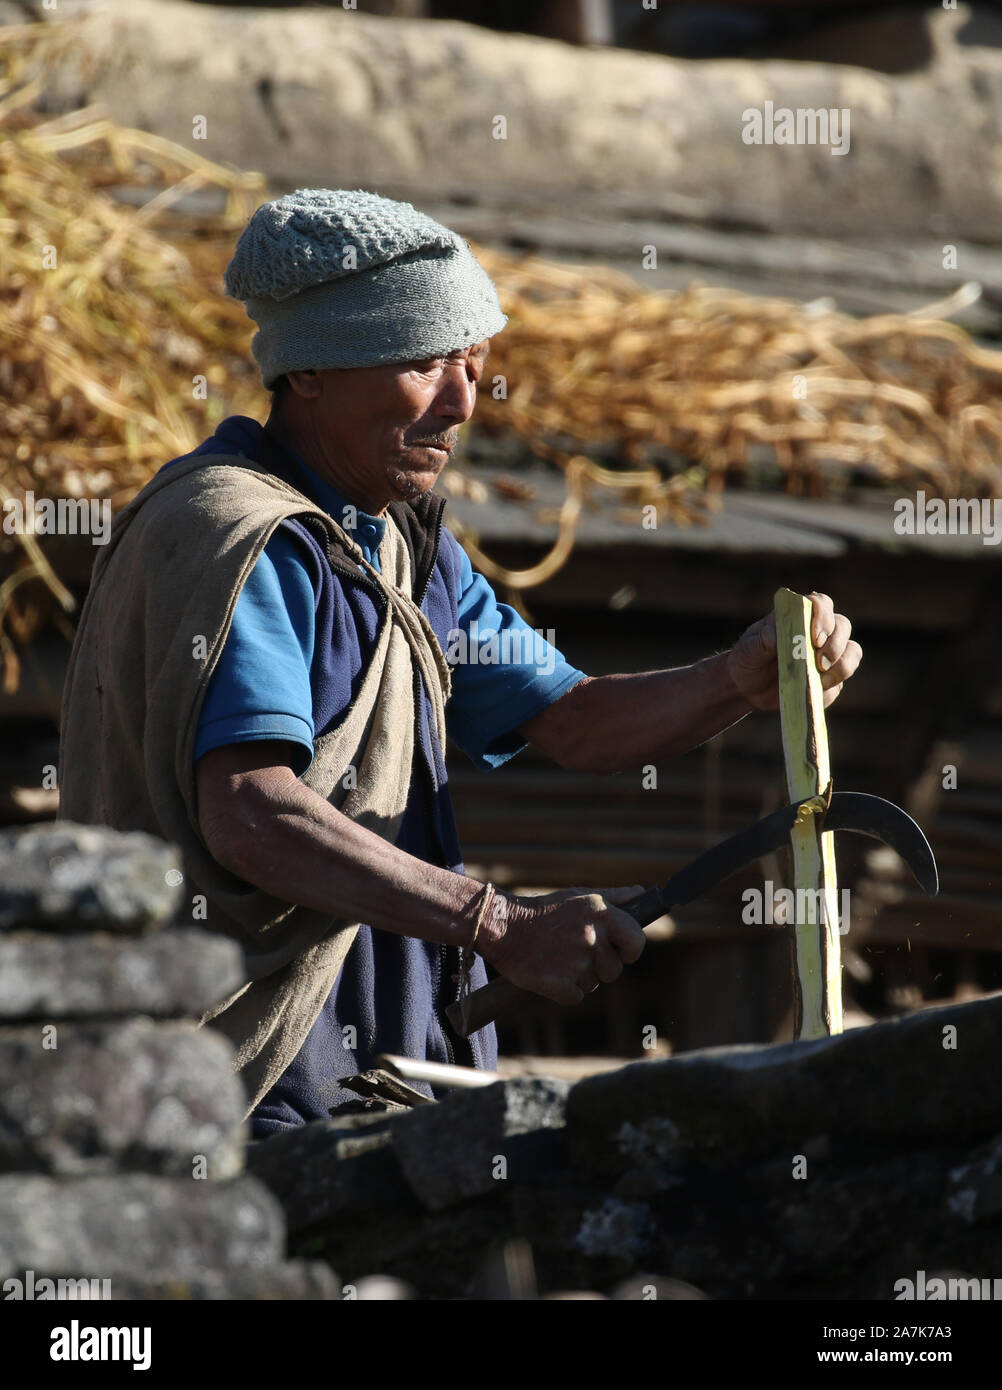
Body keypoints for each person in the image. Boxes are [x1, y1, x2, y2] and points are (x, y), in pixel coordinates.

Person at [58, 189, 861, 1135]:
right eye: (424, 362)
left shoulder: (402, 548)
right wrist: (501, 926)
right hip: (249, 1091)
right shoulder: (242, 537)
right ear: (309, 370)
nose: (462, 401)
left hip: (390, 1091)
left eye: (472, 365)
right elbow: (249, 815)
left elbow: (574, 719)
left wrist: (737, 679)